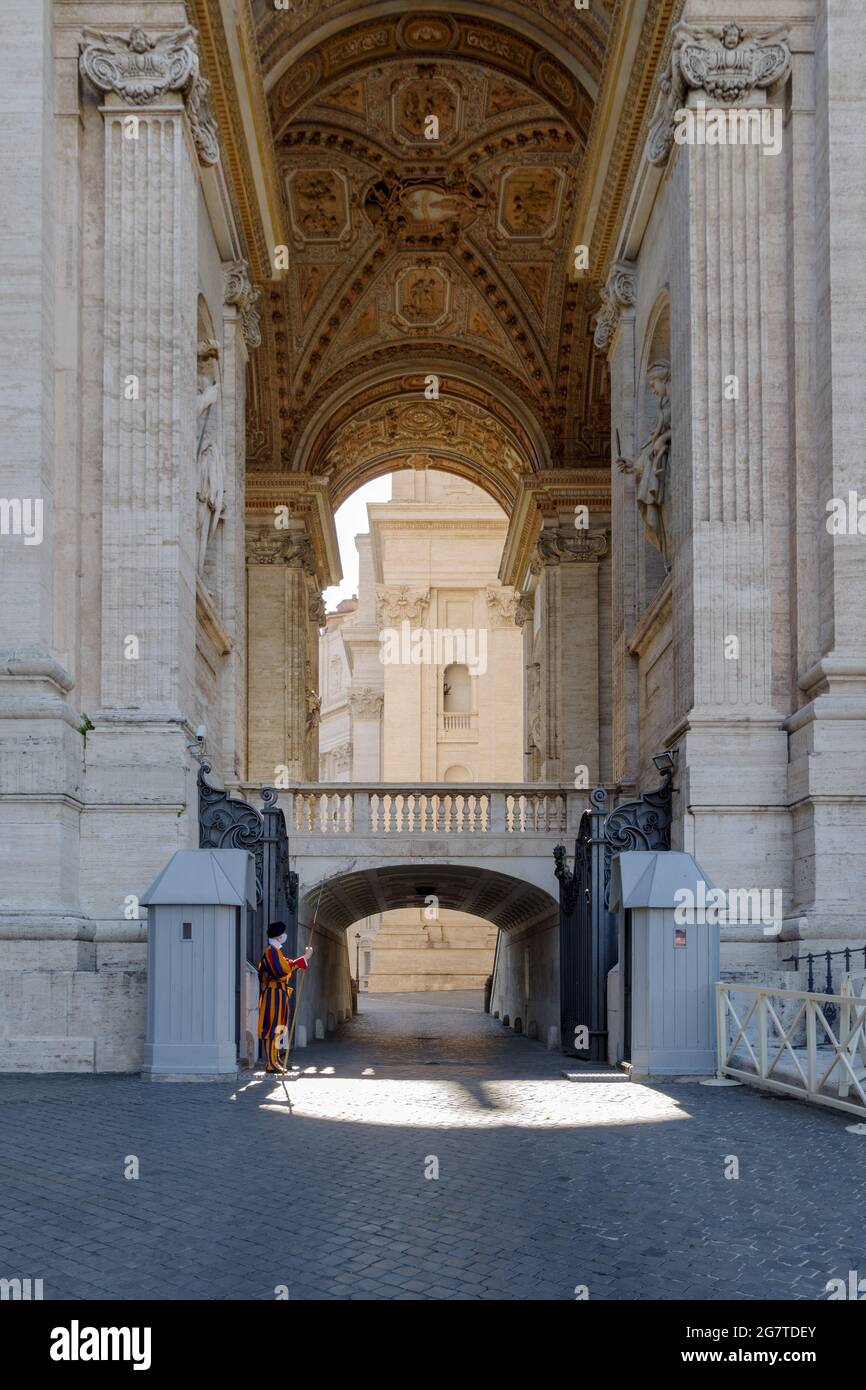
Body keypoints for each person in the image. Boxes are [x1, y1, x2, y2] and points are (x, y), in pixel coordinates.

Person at [257, 923, 313, 1073]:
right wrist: (303, 959)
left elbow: (290, 964)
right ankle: (271, 1063)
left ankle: (275, 1059)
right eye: (283, 933)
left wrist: (304, 958)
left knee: (279, 1028)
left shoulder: (276, 952)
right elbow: (281, 970)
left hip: (280, 994)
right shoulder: (270, 951)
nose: (285, 936)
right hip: (273, 994)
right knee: (272, 1027)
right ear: (278, 935)